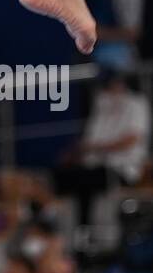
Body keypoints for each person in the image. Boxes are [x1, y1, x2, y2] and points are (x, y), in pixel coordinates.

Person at [55, 69, 151, 226]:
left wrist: (97, 147)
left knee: (86, 180)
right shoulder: (102, 104)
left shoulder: (137, 104)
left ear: (119, 83)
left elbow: (130, 140)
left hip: (122, 167)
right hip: (94, 165)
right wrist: (74, 153)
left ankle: (85, 231)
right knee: (62, 175)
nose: (106, 89)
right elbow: (88, 142)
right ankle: (65, 228)